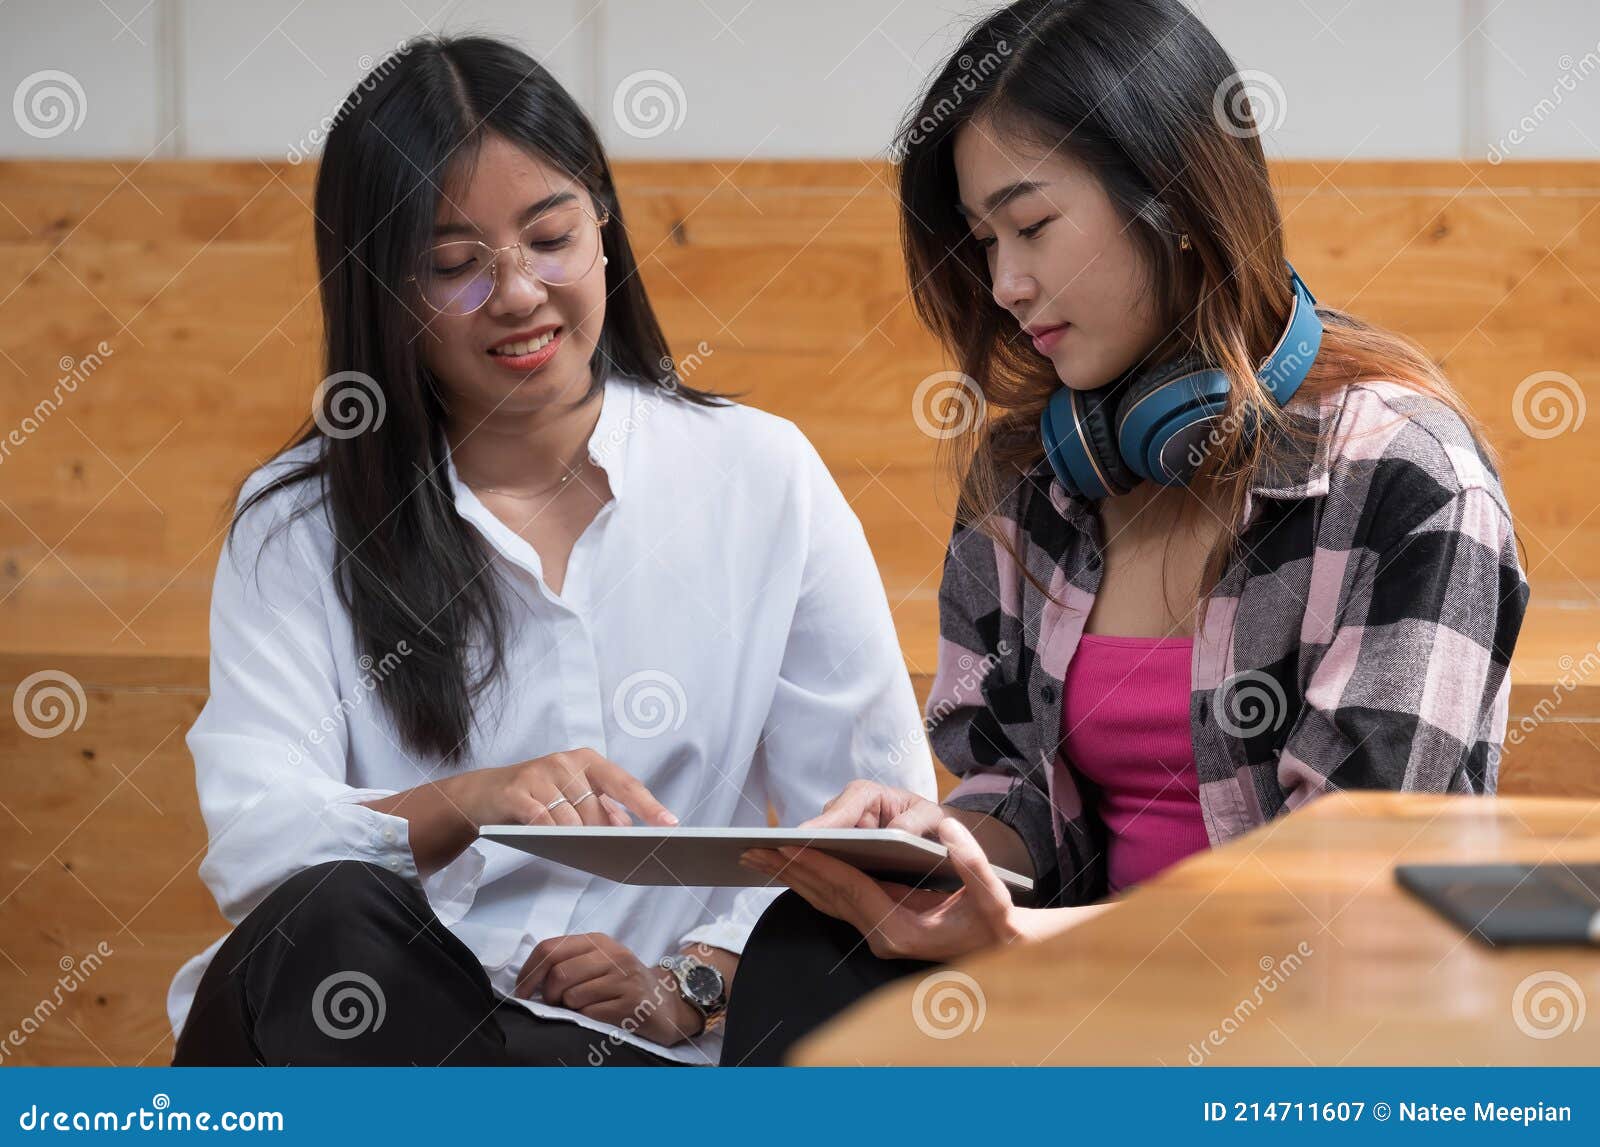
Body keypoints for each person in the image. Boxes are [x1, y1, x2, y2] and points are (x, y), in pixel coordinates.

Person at [720, 0, 1530, 1065]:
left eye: (1033, 225)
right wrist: (947, 847)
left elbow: (1343, 898)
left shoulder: (1408, 480)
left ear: (1176, 197)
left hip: (1317, 1036)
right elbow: (1016, 788)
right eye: (984, 242)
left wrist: (1029, 941)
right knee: (807, 950)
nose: (1005, 286)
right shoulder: (1026, 480)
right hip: (1078, 1004)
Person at [168, 34, 934, 1067]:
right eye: (452, 265)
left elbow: (872, 823)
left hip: (641, 1057)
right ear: (382, 291)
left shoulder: (759, 474)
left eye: (549, 238)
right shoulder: (299, 521)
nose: (518, 291)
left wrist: (693, 980)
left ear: (604, 233)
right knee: (330, 922)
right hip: (389, 1032)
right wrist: (469, 801)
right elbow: (260, 846)